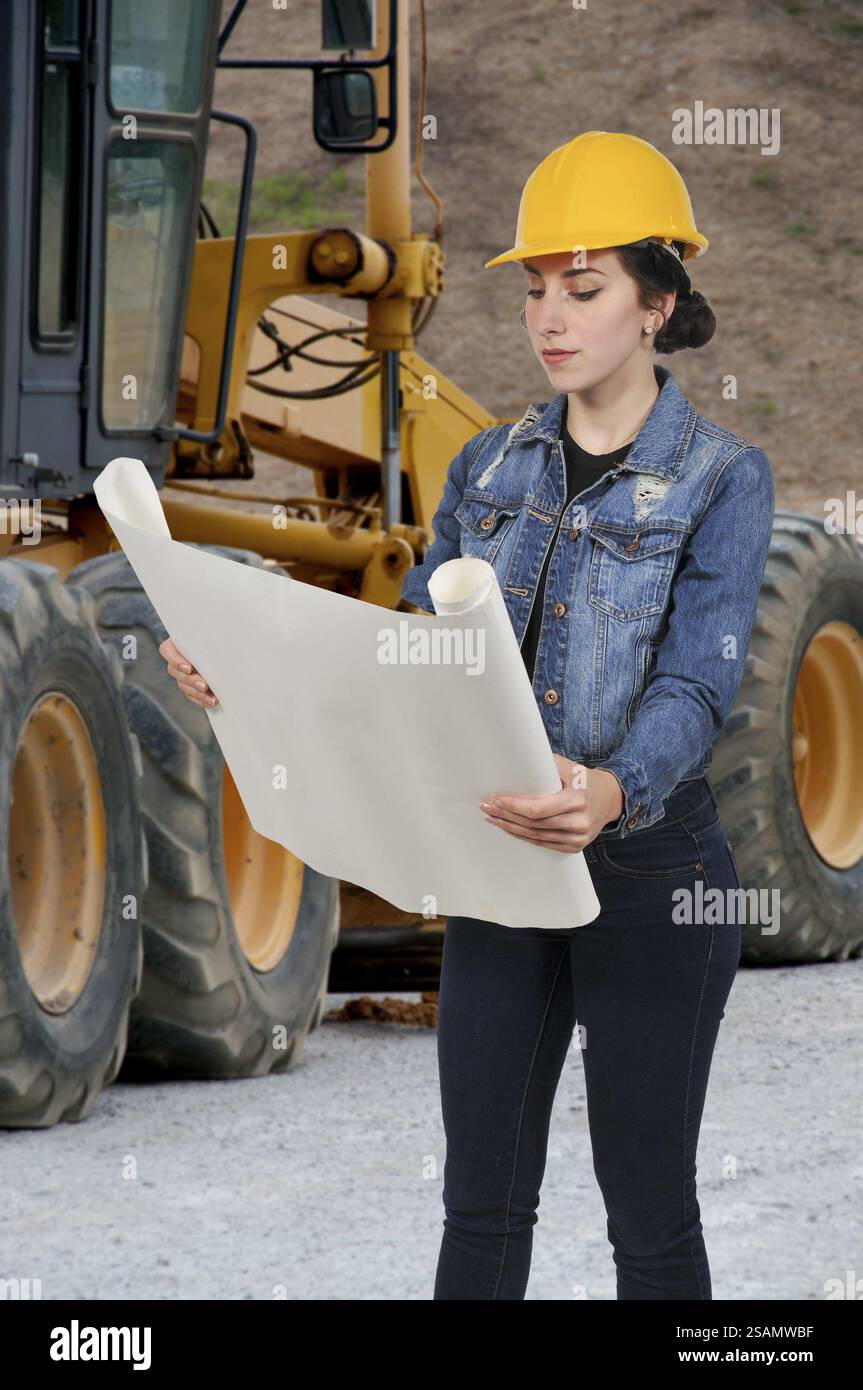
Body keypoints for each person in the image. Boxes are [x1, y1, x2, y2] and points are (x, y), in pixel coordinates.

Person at [399, 130, 775, 1299]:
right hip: (504, 869)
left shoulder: (721, 477)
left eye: (584, 287)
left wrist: (610, 788)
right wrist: (255, 676)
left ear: (655, 302)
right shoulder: (485, 468)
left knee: (648, 1217)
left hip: (653, 876)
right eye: (532, 292)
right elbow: (416, 649)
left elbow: (696, 680)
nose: (548, 317)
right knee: (479, 1208)